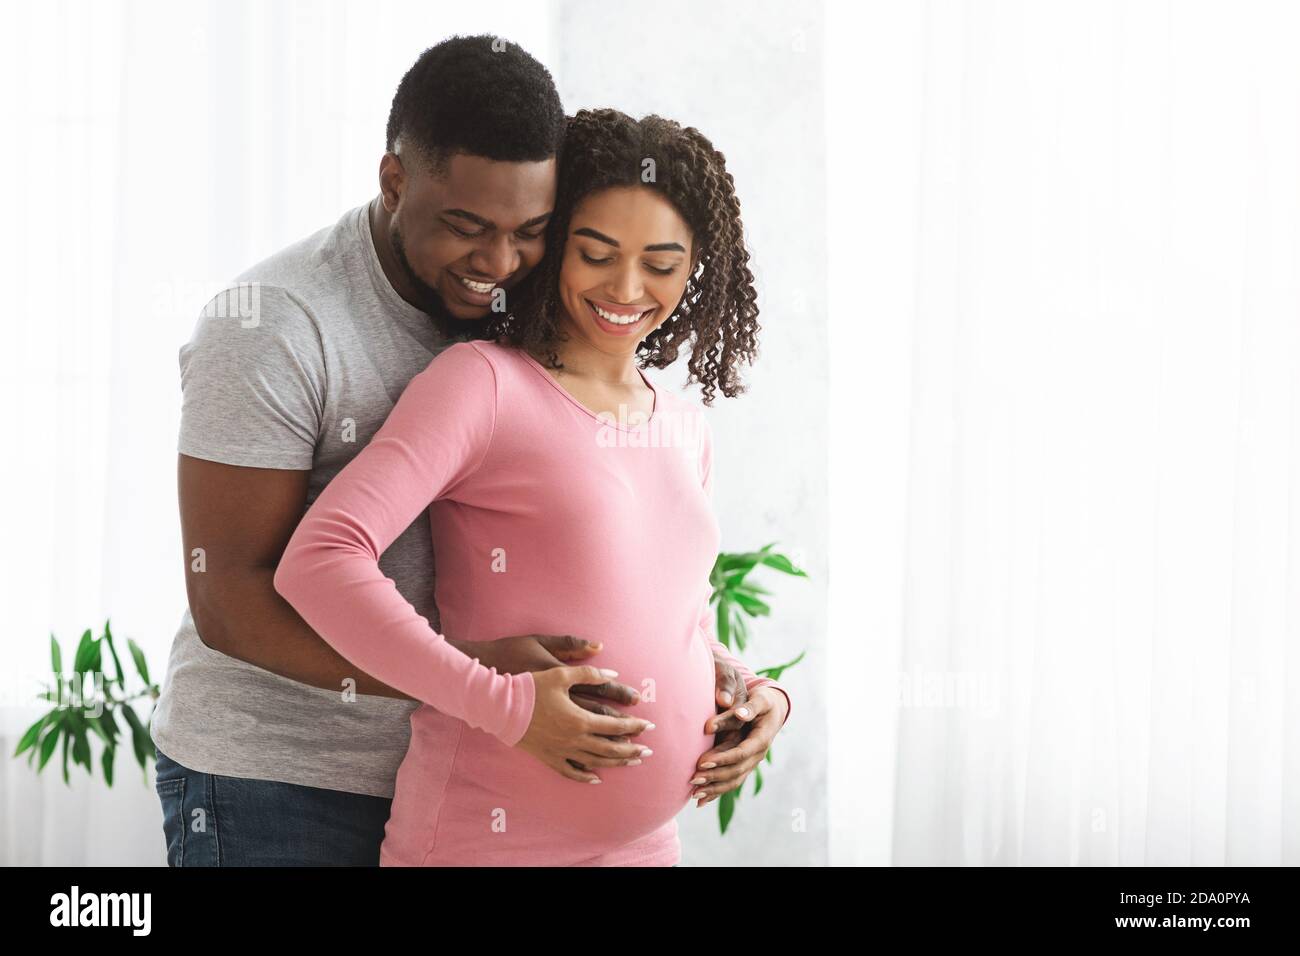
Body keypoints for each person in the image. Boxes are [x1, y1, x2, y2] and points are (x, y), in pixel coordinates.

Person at [152, 36, 776, 867]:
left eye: (530, 232)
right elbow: (230, 602)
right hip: (283, 776)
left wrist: (731, 679)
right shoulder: (274, 327)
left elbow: (613, 575)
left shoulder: (517, 319)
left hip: (464, 758)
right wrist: (483, 687)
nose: (498, 263)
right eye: (467, 227)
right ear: (394, 181)